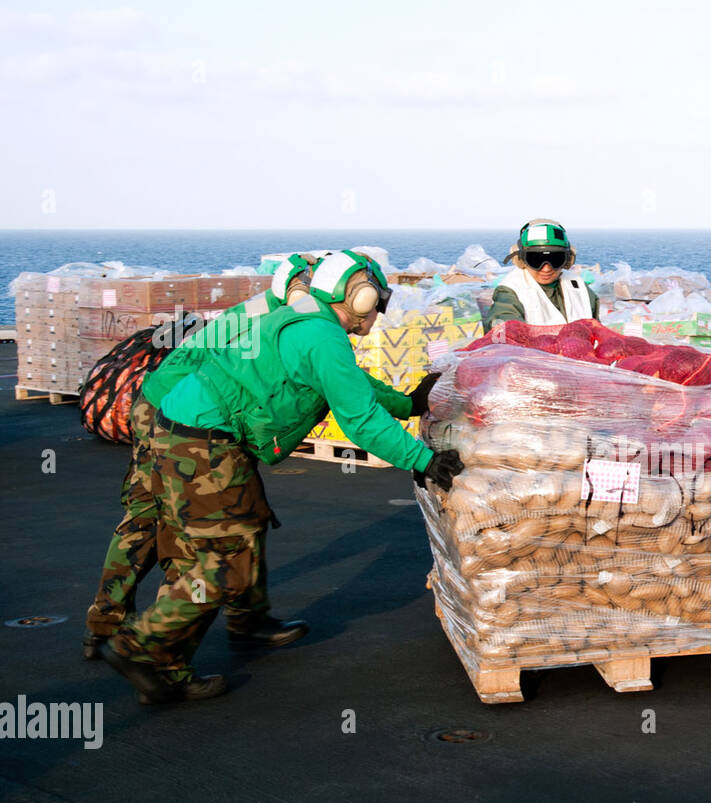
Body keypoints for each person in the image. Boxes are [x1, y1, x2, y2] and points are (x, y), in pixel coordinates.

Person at [100, 250, 461, 705]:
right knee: (223, 561)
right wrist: (423, 460)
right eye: (380, 300)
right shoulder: (323, 337)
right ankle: (139, 646)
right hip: (205, 441)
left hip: (194, 431)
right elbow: (360, 420)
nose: (380, 312)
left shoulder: (310, 323)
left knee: (239, 536)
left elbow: (352, 385)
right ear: (361, 297)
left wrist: (410, 403)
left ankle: (181, 662)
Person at [82, 253, 324, 661]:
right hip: (175, 416)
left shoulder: (263, 311)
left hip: (179, 410)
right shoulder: (269, 321)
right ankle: (143, 640)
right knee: (163, 524)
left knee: (240, 515)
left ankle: (239, 620)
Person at [482, 219, 600, 329]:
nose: (546, 269)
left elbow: (597, 328)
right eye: (536, 260)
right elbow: (503, 320)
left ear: (567, 261)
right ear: (521, 260)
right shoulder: (510, 290)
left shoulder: (578, 286)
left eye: (555, 260)